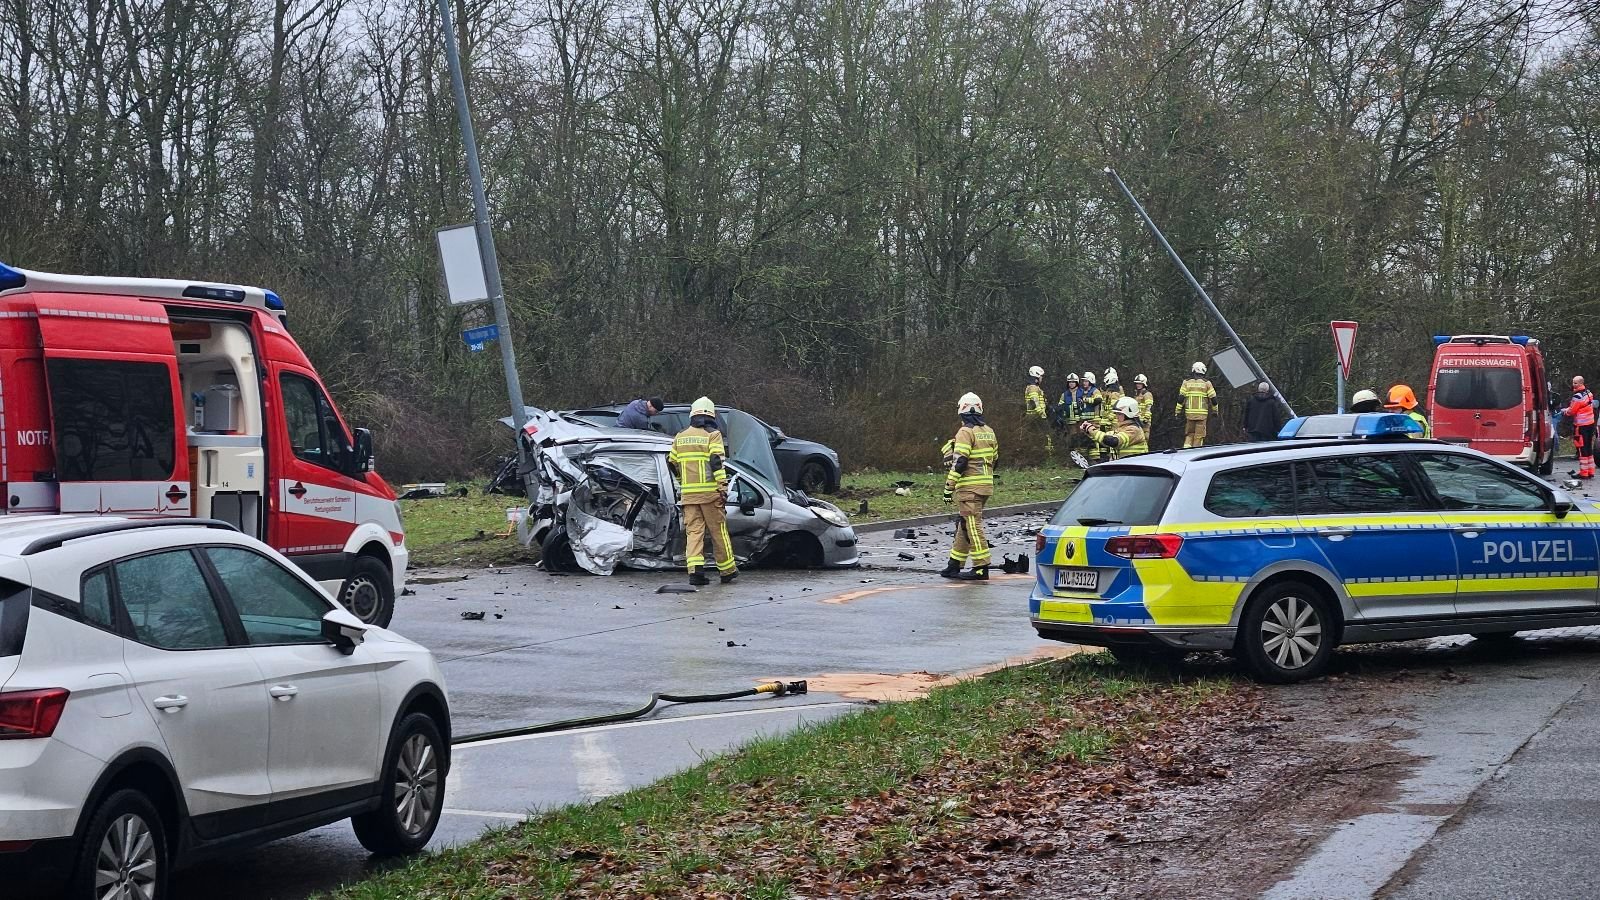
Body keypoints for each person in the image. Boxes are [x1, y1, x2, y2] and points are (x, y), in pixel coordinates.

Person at [668, 397, 737, 585]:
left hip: (689, 495)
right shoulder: (712, 435)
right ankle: (727, 571)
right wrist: (722, 486)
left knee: (694, 533)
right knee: (718, 532)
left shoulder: (680, 436)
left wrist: (683, 482)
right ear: (711, 416)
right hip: (710, 494)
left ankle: (695, 573)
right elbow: (716, 461)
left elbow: (672, 463)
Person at [940, 392, 999, 581]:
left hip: (969, 488)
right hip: (985, 485)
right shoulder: (989, 431)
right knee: (965, 524)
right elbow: (995, 460)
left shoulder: (965, 432)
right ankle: (954, 564)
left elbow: (961, 461)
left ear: (962, 410)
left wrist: (949, 486)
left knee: (973, 526)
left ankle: (981, 567)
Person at [1082, 396, 1148, 460]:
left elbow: (1113, 441)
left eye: (1119, 414)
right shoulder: (1121, 429)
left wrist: (1091, 430)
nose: (1116, 416)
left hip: (1134, 468)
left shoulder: (1134, 430)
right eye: (1116, 413)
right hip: (1123, 467)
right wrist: (1088, 431)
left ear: (1128, 415)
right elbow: (1105, 439)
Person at [1175, 362, 1218, 448]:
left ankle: (1186, 451)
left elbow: (1180, 398)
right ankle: (1195, 452)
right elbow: (1214, 399)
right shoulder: (1207, 383)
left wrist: (1177, 412)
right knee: (1199, 436)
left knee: (1189, 435)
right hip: (1201, 416)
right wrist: (1215, 411)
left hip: (1189, 415)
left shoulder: (1186, 382)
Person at [1565, 376, 1597, 479]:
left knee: (1582, 449)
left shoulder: (1577, 397)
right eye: (1573, 382)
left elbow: (1572, 411)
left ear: (1580, 383)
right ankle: (1591, 471)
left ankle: (1584, 473)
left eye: (1575, 383)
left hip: (1581, 426)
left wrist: (1565, 411)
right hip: (1590, 424)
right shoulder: (1589, 393)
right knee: (1588, 448)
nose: (1573, 385)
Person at [1024, 366, 1052, 454]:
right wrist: (1041, 413)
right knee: (1045, 435)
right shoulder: (1033, 388)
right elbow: (1034, 400)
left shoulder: (1033, 387)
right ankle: (1046, 455)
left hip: (1033, 416)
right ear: (1036, 376)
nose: (1041, 379)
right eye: (1041, 377)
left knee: (1035, 436)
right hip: (1036, 416)